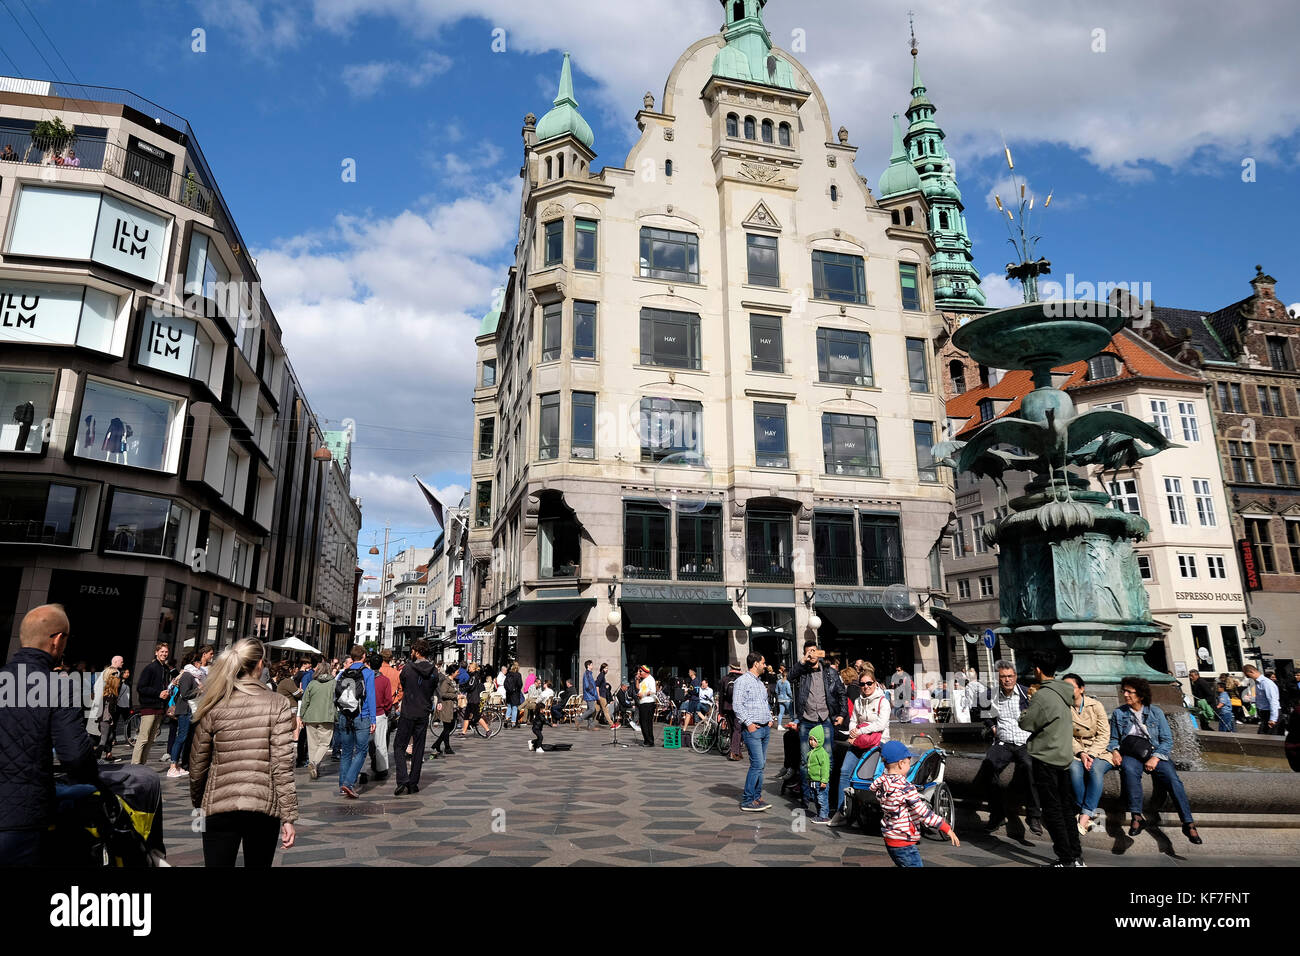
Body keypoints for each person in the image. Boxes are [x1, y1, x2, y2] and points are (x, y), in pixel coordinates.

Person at [0, 605, 103, 865]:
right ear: (57, 639)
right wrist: (94, 780)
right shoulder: (57, 685)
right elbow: (76, 757)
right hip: (21, 817)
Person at [189, 638, 297, 866]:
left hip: (218, 805)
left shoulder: (214, 702)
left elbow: (198, 764)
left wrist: (199, 805)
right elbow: (282, 766)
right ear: (260, 664)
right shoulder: (277, 703)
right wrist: (288, 816)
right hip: (262, 807)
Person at [1107, 676, 1201, 845]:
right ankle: (1137, 815)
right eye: (1124, 691)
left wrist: (1156, 758)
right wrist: (1114, 751)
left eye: (1129, 692)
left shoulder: (1155, 712)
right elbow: (1114, 738)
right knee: (1129, 770)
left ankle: (1188, 823)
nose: (1125, 694)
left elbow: (1167, 740)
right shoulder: (1118, 713)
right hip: (1130, 753)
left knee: (1173, 779)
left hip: (1154, 752)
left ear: (1140, 695)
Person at [1018, 651, 1084, 867]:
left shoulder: (1042, 696)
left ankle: (1065, 858)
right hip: (1064, 757)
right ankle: (1076, 855)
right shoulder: (1064, 690)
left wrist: (1028, 706)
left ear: (1037, 669)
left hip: (1046, 757)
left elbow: (1026, 723)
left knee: (1053, 810)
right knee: (1067, 808)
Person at [972, 660, 1043, 835]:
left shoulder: (1028, 694)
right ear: (998, 678)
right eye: (1003, 677)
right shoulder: (991, 695)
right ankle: (997, 815)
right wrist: (992, 725)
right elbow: (982, 711)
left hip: (1024, 742)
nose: (1007, 680)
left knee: (1029, 766)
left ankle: (1034, 815)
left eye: (1010, 676)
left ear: (1016, 677)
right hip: (1003, 742)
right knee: (988, 767)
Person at [869, 740, 959, 867]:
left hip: (890, 838)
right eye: (908, 762)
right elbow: (924, 814)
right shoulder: (906, 788)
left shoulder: (882, 783)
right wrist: (945, 827)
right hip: (903, 842)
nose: (910, 766)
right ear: (901, 764)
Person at [791, 641, 847, 811]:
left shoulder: (830, 672)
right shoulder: (802, 673)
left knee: (827, 760)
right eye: (809, 652)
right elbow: (790, 676)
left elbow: (841, 693)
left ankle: (824, 799)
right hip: (807, 721)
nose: (812, 655)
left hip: (825, 720)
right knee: (805, 761)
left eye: (814, 651)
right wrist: (802, 661)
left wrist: (842, 714)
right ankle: (807, 797)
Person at [830, 670, 890, 826]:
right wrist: (853, 731)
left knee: (867, 778)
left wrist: (860, 730)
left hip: (877, 743)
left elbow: (881, 724)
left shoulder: (882, 701)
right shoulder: (858, 701)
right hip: (859, 742)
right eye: (862, 684)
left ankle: (865, 813)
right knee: (844, 772)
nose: (865, 687)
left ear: (875, 683)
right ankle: (842, 811)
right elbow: (853, 720)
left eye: (869, 683)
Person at [1063, 673, 1110, 835]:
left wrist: (1091, 753)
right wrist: (1082, 753)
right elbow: (1066, 735)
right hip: (1076, 750)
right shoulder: (1064, 707)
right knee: (1074, 770)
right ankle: (1090, 815)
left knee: (1094, 770)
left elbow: (1104, 734)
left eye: (1071, 687)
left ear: (1082, 689)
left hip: (1100, 750)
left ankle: (1084, 816)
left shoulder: (1095, 705)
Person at [393, 641, 437, 795]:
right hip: (423, 712)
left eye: (412, 650)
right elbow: (432, 688)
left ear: (417, 652)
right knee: (418, 748)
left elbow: (403, 685)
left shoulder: (408, 668)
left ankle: (403, 779)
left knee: (399, 746)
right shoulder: (433, 670)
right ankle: (413, 782)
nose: (411, 653)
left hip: (408, 711)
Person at [334, 646, 375, 798]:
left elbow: (336, 693)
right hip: (362, 716)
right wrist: (372, 718)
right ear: (364, 656)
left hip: (345, 715)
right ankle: (349, 782)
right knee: (361, 750)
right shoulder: (368, 673)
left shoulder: (343, 673)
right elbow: (370, 696)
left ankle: (341, 785)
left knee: (346, 751)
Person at [734, 652, 773, 812]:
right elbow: (737, 705)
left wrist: (770, 718)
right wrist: (748, 723)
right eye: (763, 662)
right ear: (756, 663)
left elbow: (765, 703)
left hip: (764, 728)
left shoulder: (759, 682)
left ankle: (757, 797)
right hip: (753, 729)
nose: (765, 665)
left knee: (761, 765)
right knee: (757, 764)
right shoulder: (742, 681)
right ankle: (747, 799)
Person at [131, 642, 172, 764]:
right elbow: (141, 687)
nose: (164, 654)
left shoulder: (165, 669)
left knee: (151, 739)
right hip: (149, 707)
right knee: (143, 738)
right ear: (156, 652)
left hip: (159, 708)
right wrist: (158, 693)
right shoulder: (150, 668)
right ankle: (134, 765)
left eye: (166, 652)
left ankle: (142, 764)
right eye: (162, 651)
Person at [164, 652, 202, 778]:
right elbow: (185, 694)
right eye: (199, 662)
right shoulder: (187, 675)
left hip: (190, 710)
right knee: (181, 737)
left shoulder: (193, 676)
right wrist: (200, 690)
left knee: (185, 738)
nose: (200, 665)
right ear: (195, 662)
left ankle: (177, 766)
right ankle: (172, 766)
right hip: (184, 710)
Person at [299, 661, 336, 779]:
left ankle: (314, 766)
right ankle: (314, 763)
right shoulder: (334, 683)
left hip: (311, 716)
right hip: (327, 716)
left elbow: (305, 701)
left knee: (312, 744)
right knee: (324, 743)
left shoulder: (312, 683)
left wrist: (302, 715)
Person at [367, 653, 393, 782]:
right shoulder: (384, 680)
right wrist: (387, 711)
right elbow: (388, 699)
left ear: (369, 664)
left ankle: (364, 768)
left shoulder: (365, 678)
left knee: (363, 743)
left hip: (366, 714)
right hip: (380, 713)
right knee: (381, 742)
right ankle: (381, 769)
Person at [431, 664, 459, 757]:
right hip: (446, 707)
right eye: (457, 671)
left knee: (450, 727)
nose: (458, 673)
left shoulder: (453, 681)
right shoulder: (446, 681)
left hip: (453, 707)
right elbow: (442, 694)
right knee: (447, 728)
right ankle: (447, 747)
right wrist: (455, 696)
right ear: (452, 672)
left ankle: (437, 744)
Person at [806, 724, 832, 823]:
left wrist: (824, 780)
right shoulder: (811, 752)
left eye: (814, 740)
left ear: (819, 740)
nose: (812, 742)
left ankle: (824, 816)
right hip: (813, 781)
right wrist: (808, 778)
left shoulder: (822, 753)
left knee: (822, 798)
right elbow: (809, 767)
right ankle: (820, 814)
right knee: (816, 798)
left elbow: (825, 768)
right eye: (810, 739)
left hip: (820, 781)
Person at [1243, 665, 1279, 735]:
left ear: (1251, 671)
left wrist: (1273, 719)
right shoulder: (1258, 683)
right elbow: (1262, 698)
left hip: (1270, 713)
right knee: (1263, 737)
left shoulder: (1266, 683)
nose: (1247, 677)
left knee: (1269, 739)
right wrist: (1252, 699)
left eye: (1247, 675)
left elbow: (1273, 701)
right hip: (1265, 714)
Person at [721, 662, 744, 760]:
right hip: (739, 708)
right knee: (738, 729)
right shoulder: (743, 679)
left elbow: (721, 697)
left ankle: (737, 751)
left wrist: (720, 712)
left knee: (732, 730)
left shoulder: (724, 679)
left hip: (727, 707)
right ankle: (734, 752)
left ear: (731, 668)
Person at [636, 665, 657, 746]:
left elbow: (653, 691)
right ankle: (647, 740)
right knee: (643, 722)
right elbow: (638, 688)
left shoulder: (650, 679)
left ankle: (649, 741)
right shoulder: (644, 680)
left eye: (640, 671)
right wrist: (637, 679)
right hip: (643, 702)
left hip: (648, 703)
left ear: (645, 672)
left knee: (646, 722)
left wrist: (643, 694)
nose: (639, 673)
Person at [580, 660, 600, 730]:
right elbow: (588, 686)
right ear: (588, 666)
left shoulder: (589, 674)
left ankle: (590, 726)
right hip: (589, 695)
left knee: (591, 710)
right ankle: (579, 719)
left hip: (590, 695)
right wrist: (593, 693)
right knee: (592, 709)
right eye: (591, 665)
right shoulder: (587, 674)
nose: (592, 666)